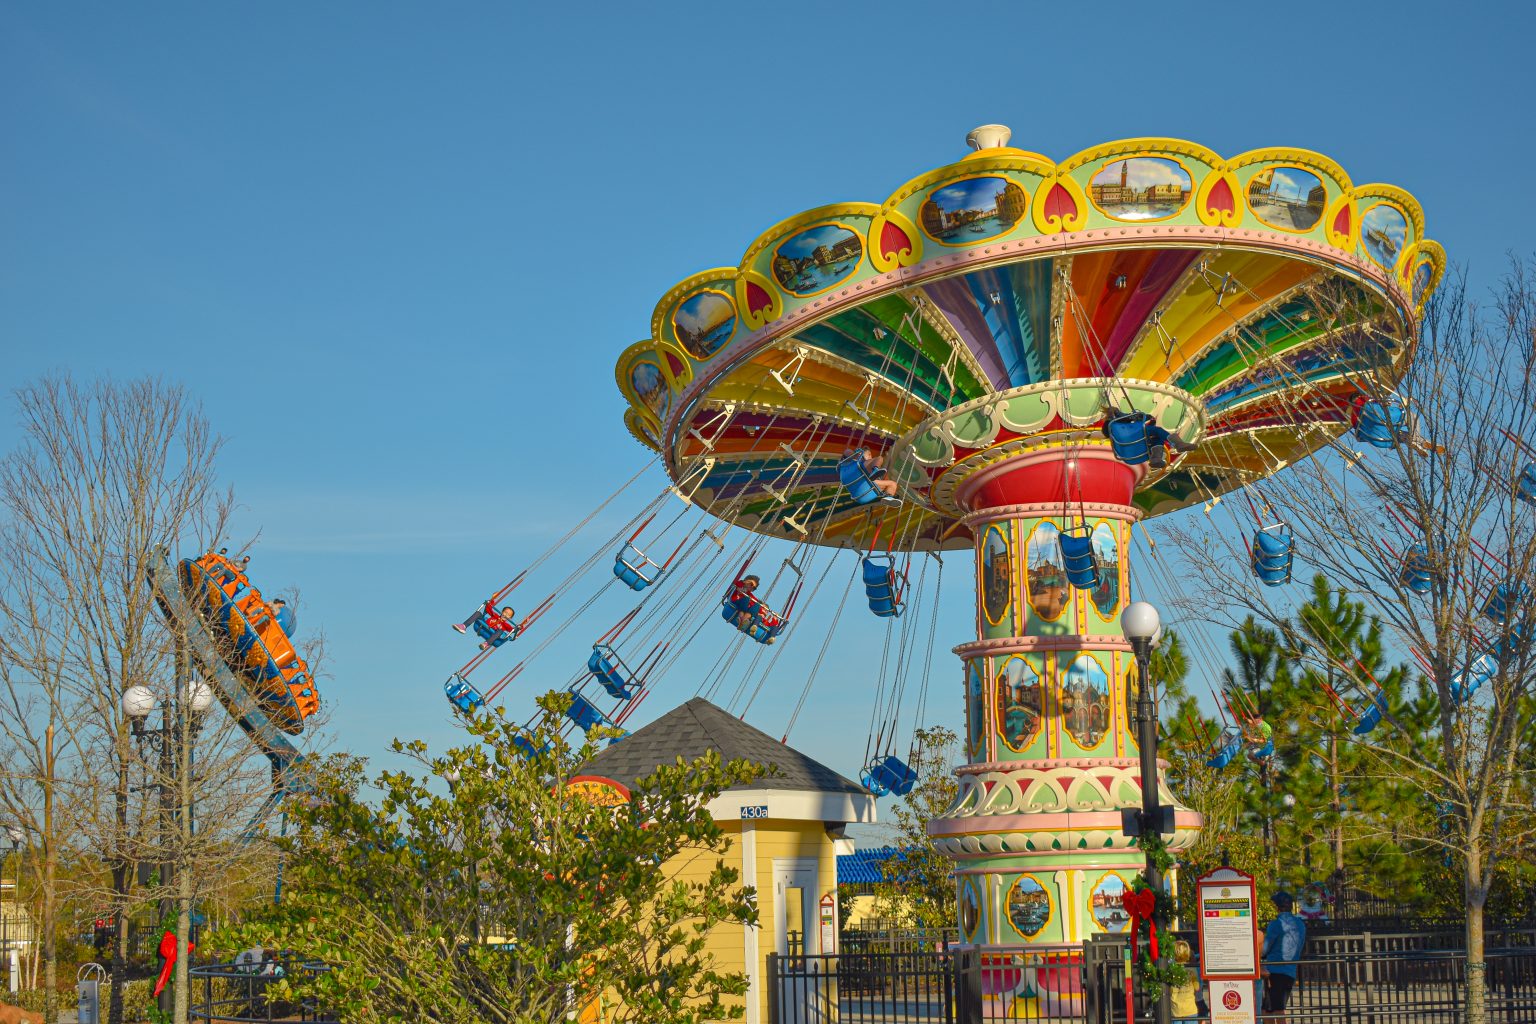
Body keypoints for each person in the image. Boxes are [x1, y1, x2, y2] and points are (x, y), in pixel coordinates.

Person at [1261, 890, 1307, 1020]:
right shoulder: (1300, 924)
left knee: (1274, 1010)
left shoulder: (1276, 924)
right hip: (1290, 970)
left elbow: (1264, 949)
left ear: (1277, 906)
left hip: (1275, 971)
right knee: (1270, 1009)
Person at [726, 575, 780, 642]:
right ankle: (742, 619)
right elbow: (737, 583)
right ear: (747, 581)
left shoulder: (749, 594)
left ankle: (742, 621)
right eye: (751, 584)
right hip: (736, 602)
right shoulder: (740, 585)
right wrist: (744, 583)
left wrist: (762, 606)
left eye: (754, 588)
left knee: (756, 605)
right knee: (746, 599)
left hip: (744, 608)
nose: (751, 587)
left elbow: (756, 601)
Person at [453, 599, 519, 650]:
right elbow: (488, 609)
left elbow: (512, 630)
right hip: (481, 627)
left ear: (510, 618)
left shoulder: (506, 625)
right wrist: (491, 601)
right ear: (502, 612)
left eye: (508, 615)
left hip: (492, 634)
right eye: (505, 612)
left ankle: (486, 643)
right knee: (479, 613)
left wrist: (518, 628)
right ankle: (463, 626)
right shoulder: (495, 615)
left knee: (501, 631)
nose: (506, 615)